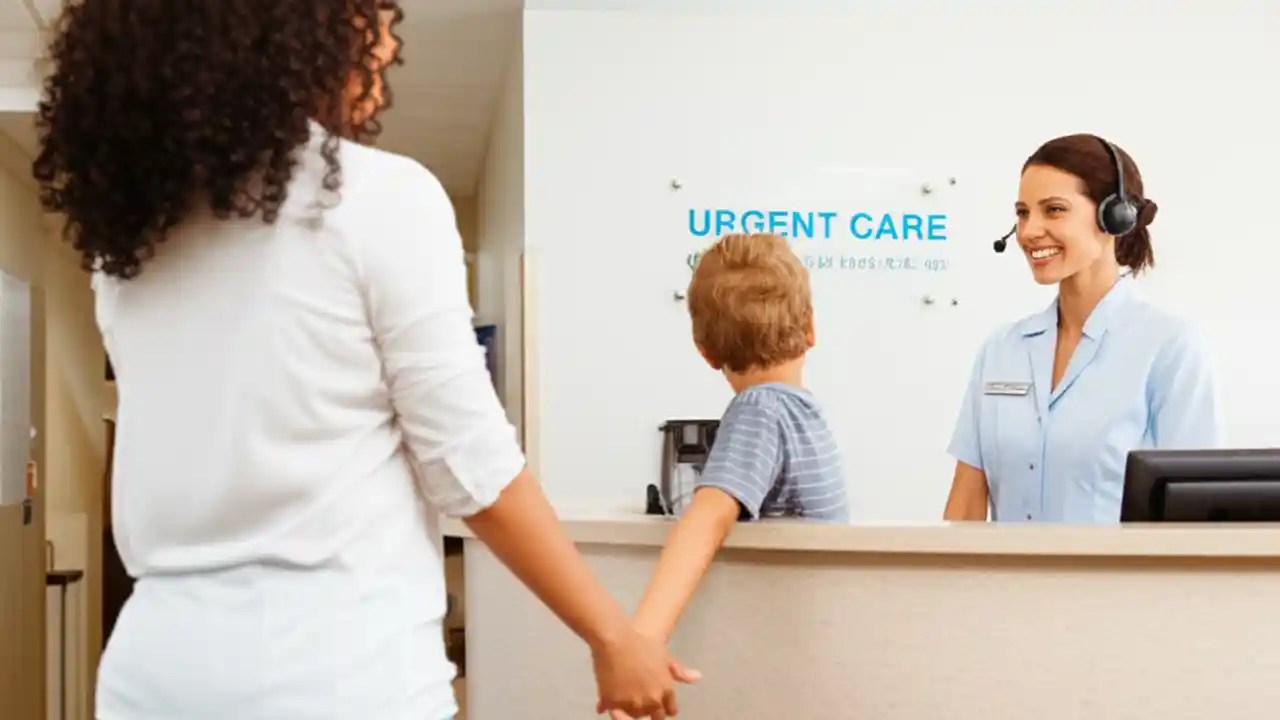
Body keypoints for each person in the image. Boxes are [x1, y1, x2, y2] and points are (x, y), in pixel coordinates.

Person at [32, 2, 693, 718]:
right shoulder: (377, 200)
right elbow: (470, 465)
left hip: (152, 676)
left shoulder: (125, 251)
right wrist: (610, 635)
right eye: (371, 14)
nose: (387, 38)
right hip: (336, 675)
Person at [943, 134, 1223, 523]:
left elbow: (1193, 518)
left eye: (1054, 210)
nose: (1028, 231)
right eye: (1023, 213)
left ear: (1115, 216)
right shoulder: (1001, 349)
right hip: (1003, 583)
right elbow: (966, 500)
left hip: (1116, 584)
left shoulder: (1169, 347)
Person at [625, 233, 848, 688]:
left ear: (705, 351)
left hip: (785, 659)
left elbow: (708, 518)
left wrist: (642, 638)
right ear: (810, 329)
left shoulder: (758, 411)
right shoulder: (804, 412)